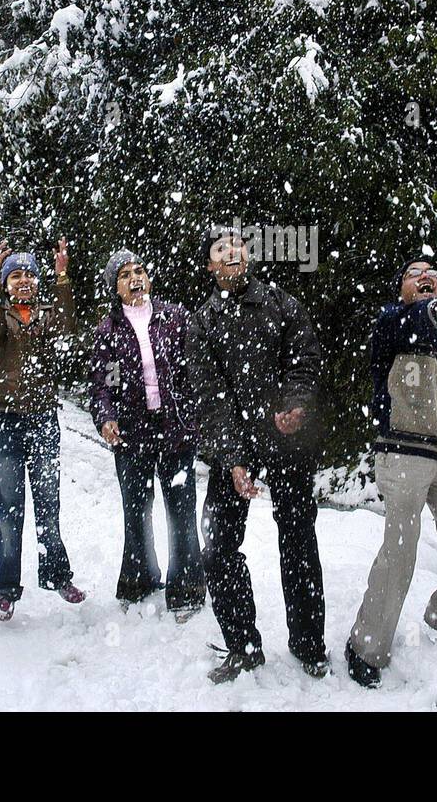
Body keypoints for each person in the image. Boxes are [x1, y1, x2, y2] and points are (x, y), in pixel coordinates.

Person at [344, 261, 437, 689]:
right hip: (402, 452)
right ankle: (366, 646)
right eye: (414, 273)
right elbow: (418, 320)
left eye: (431, 271)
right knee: (401, 549)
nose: (424, 276)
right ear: (403, 288)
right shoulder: (392, 323)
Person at [188, 225, 327, 683]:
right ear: (210, 265)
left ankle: (309, 642)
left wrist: (295, 404)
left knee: (299, 538)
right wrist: (233, 459)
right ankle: (243, 645)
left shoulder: (281, 304)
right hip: (237, 444)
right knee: (218, 544)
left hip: (286, 440)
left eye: (238, 245)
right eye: (221, 248)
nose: (232, 252)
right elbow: (211, 397)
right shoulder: (202, 322)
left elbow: (306, 359)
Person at [89, 250, 205, 620]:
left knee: (181, 512)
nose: (135, 278)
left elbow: (196, 369)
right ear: (115, 287)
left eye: (139, 270)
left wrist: (193, 409)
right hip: (132, 433)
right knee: (136, 511)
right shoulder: (109, 331)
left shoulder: (175, 318)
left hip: (176, 431)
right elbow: (104, 385)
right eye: (125, 274)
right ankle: (139, 580)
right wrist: (107, 417)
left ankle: (186, 588)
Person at [0, 234, 85, 621]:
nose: (23, 280)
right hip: (4, 421)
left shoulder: (46, 314)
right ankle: (6, 588)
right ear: (6, 284)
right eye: (15, 276)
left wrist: (62, 280)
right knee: (9, 509)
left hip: (42, 418)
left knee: (48, 504)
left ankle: (57, 575)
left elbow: (67, 330)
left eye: (29, 275)